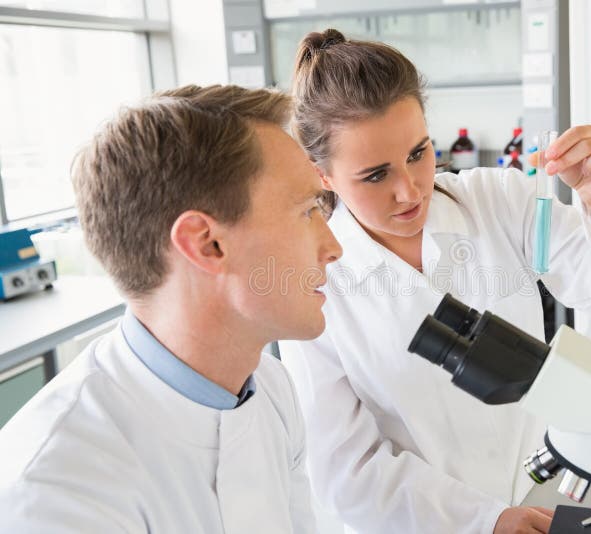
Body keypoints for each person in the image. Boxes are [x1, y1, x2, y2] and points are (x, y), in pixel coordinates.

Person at [279, 29, 591, 534]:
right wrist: (484, 522)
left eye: (419, 153)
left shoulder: (497, 199)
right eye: (375, 175)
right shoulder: (311, 278)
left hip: (539, 491)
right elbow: (346, 470)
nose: (409, 191)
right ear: (322, 176)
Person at [0, 85, 342, 533]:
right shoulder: (55, 494)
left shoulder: (271, 390)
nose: (333, 247)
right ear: (207, 244)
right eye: (307, 211)